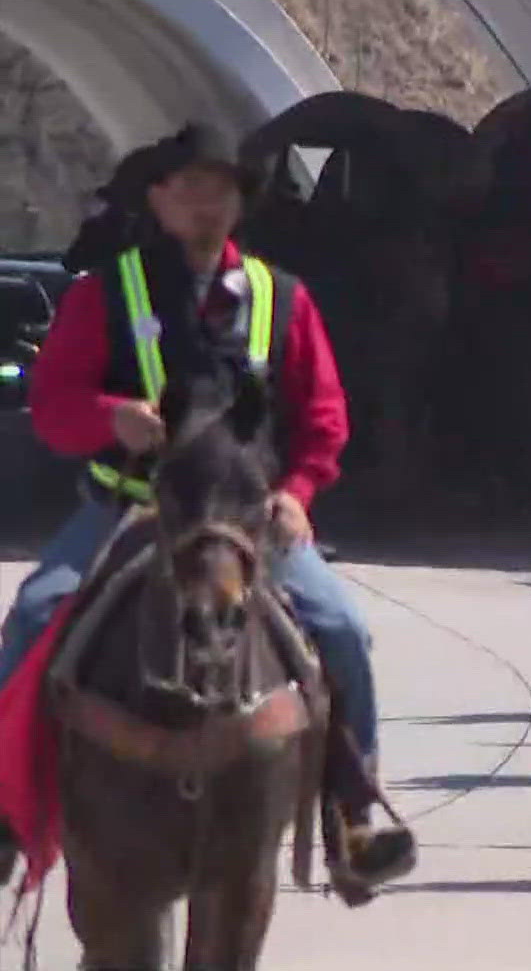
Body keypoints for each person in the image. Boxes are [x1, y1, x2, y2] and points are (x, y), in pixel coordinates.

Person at [0, 125, 412, 894]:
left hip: (246, 518)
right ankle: (4, 815)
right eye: (187, 187)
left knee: (343, 631)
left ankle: (353, 818)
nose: (203, 202)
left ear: (238, 202)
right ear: (158, 198)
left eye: (217, 188)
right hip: (130, 508)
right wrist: (109, 417)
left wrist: (298, 493)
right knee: (34, 612)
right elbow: (54, 405)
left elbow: (324, 416)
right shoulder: (105, 293)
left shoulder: (281, 299)